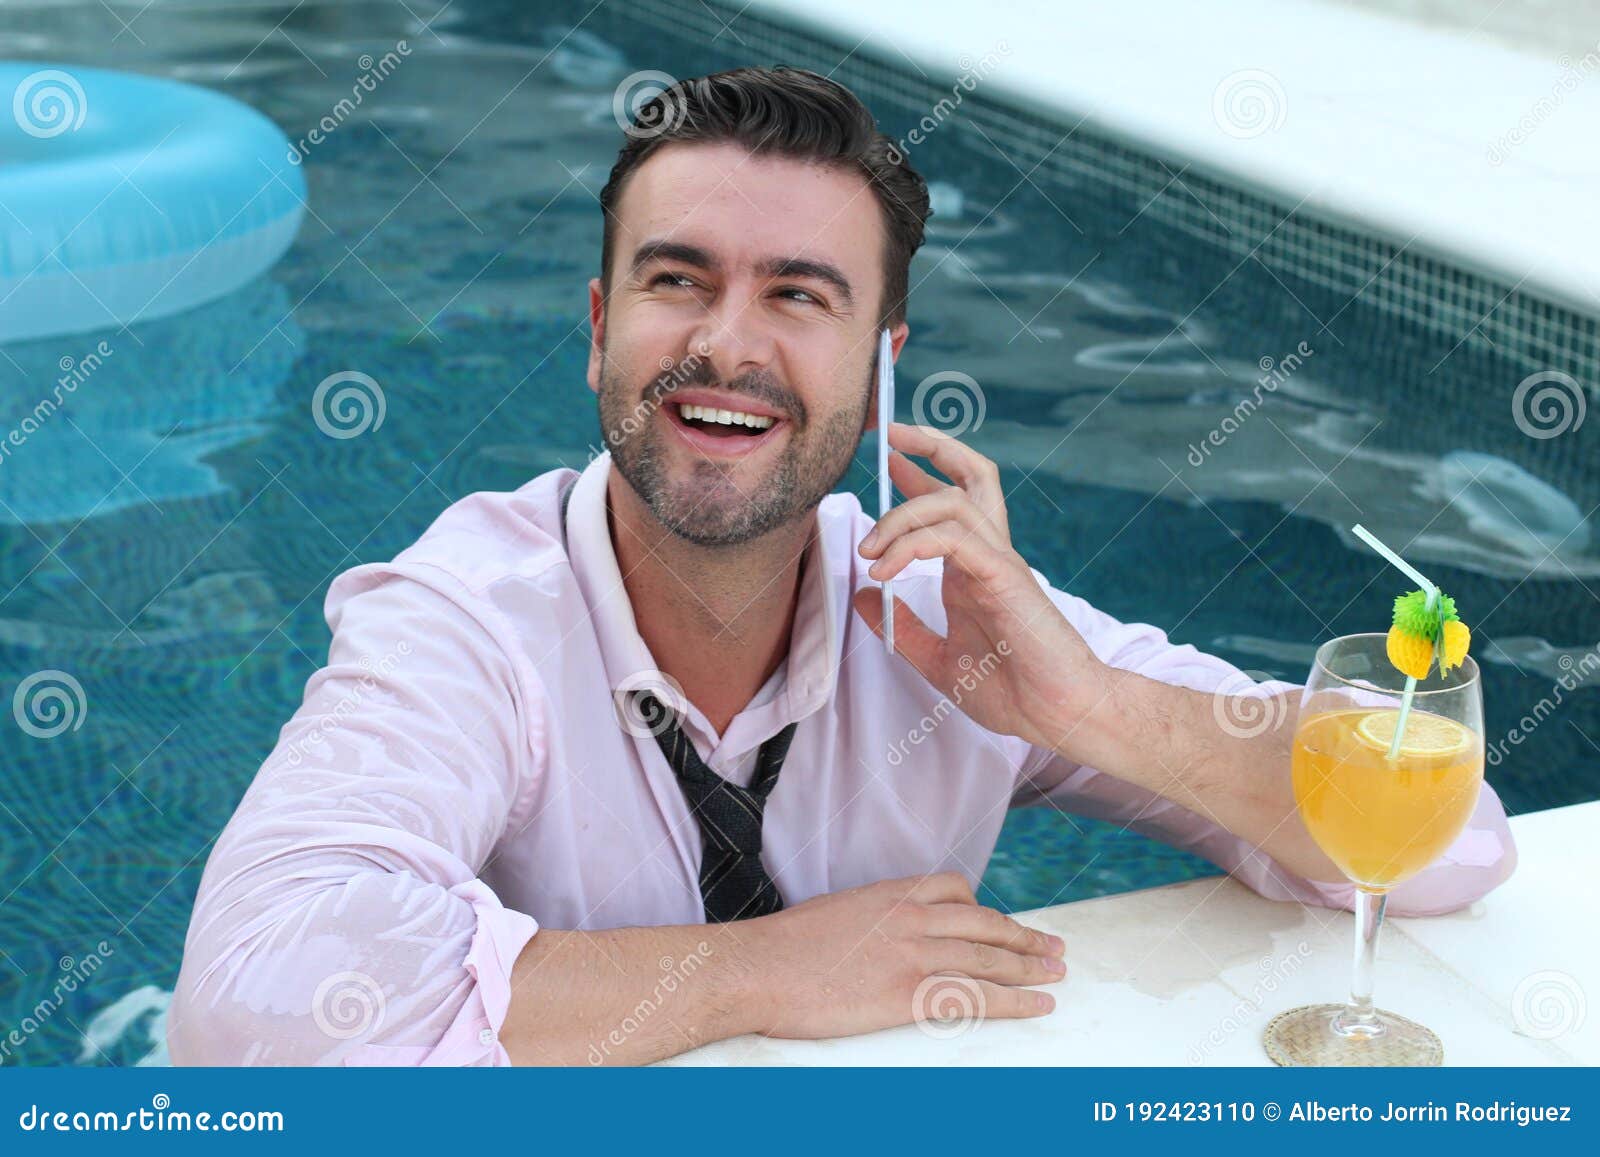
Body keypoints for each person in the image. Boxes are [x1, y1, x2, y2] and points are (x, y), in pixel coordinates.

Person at [168, 66, 1515, 1066]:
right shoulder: (471, 617)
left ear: (881, 373)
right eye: (677, 280)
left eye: (800, 295)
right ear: (597, 330)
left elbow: (1451, 836)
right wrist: (749, 974)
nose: (727, 344)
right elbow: (249, 996)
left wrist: (1088, 709)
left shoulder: (950, 620)